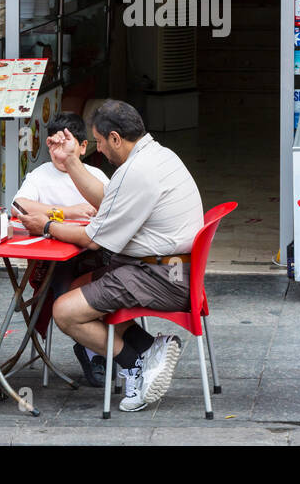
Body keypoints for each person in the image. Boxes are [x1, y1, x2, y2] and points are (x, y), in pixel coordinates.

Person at [14, 100, 203, 412]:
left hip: (160, 276)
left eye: (100, 142)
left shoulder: (137, 172)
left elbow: (91, 240)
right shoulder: (157, 155)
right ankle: (150, 347)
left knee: (64, 310)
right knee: (76, 289)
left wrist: (47, 225)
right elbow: (108, 200)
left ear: (116, 138)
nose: (99, 151)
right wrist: (72, 159)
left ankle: (132, 365)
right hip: (169, 269)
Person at [12, 112, 111, 386]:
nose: (59, 152)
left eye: (65, 144)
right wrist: (67, 212)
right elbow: (19, 205)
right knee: (63, 276)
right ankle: (93, 350)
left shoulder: (95, 176)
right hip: (56, 258)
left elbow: (115, 210)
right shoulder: (40, 175)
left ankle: (95, 343)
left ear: (82, 146)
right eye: (53, 145)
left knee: (100, 278)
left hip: (94, 254)